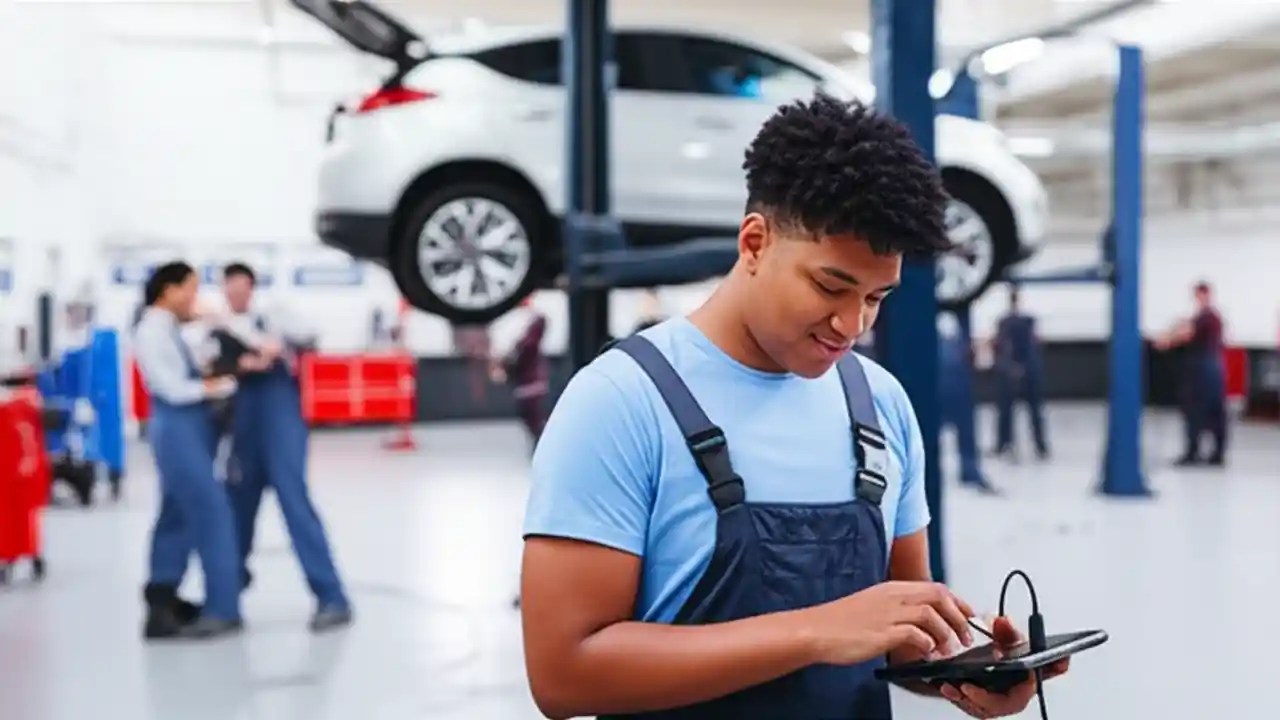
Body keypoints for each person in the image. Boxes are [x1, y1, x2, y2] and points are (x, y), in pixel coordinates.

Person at [519, 95, 1068, 720]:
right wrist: (815, 631)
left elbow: (897, 636)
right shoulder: (620, 403)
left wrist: (971, 670)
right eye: (830, 286)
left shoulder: (880, 405)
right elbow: (563, 675)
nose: (851, 323)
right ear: (755, 242)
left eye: (876, 297)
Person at [214, 262, 353, 631]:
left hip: (279, 416)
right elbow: (209, 367)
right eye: (228, 286)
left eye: (240, 285)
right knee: (237, 508)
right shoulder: (217, 324)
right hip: (243, 421)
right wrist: (239, 363)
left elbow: (310, 336)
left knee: (294, 500)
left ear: (251, 286)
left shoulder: (273, 315)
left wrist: (275, 343)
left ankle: (331, 597)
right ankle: (225, 600)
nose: (234, 292)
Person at [134, 261, 242, 640]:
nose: (194, 299)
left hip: (189, 428)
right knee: (213, 513)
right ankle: (223, 608)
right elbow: (171, 387)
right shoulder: (151, 331)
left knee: (176, 514)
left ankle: (163, 602)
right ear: (168, 290)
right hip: (177, 426)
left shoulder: (170, 328)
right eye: (190, 290)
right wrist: (216, 387)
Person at [1154, 281, 1227, 466]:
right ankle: (1215, 454)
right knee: (1213, 412)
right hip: (1212, 369)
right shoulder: (1207, 317)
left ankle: (1193, 453)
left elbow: (1184, 335)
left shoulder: (1206, 318)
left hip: (1202, 370)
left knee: (1197, 411)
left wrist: (1167, 340)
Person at [991, 287, 1049, 460]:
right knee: (1033, 410)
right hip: (1027, 369)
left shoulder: (1005, 322)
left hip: (1012, 370)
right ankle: (1040, 446)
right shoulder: (1027, 321)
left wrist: (1011, 366)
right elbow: (1032, 346)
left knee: (1007, 410)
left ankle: (1004, 444)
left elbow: (1004, 346)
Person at [490, 297, 549, 452]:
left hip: (531, 377)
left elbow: (525, 349)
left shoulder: (533, 322)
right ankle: (539, 444)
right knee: (528, 414)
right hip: (523, 377)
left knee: (533, 414)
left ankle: (542, 445)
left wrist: (507, 365)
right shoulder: (519, 323)